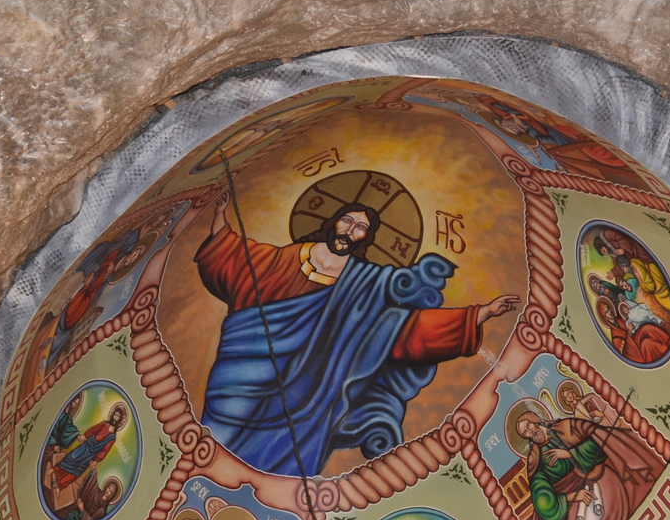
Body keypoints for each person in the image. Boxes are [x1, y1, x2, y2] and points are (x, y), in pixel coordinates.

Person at [195, 195, 520, 474]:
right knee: (218, 441)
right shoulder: (284, 258)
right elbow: (236, 262)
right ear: (333, 222)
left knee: (279, 456)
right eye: (347, 221)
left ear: (366, 237)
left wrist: (479, 313)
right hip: (240, 374)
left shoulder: (366, 283)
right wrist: (220, 218)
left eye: (360, 227)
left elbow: (402, 329)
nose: (351, 230)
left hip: (307, 401)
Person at [516, 411, 661, 520]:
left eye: (529, 425)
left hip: (592, 474)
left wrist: (569, 453)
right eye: (525, 432)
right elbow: (540, 493)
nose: (530, 432)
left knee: (610, 496)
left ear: (536, 420)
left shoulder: (564, 427)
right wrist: (570, 497)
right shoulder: (535, 458)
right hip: (567, 495)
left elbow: (598, 437)